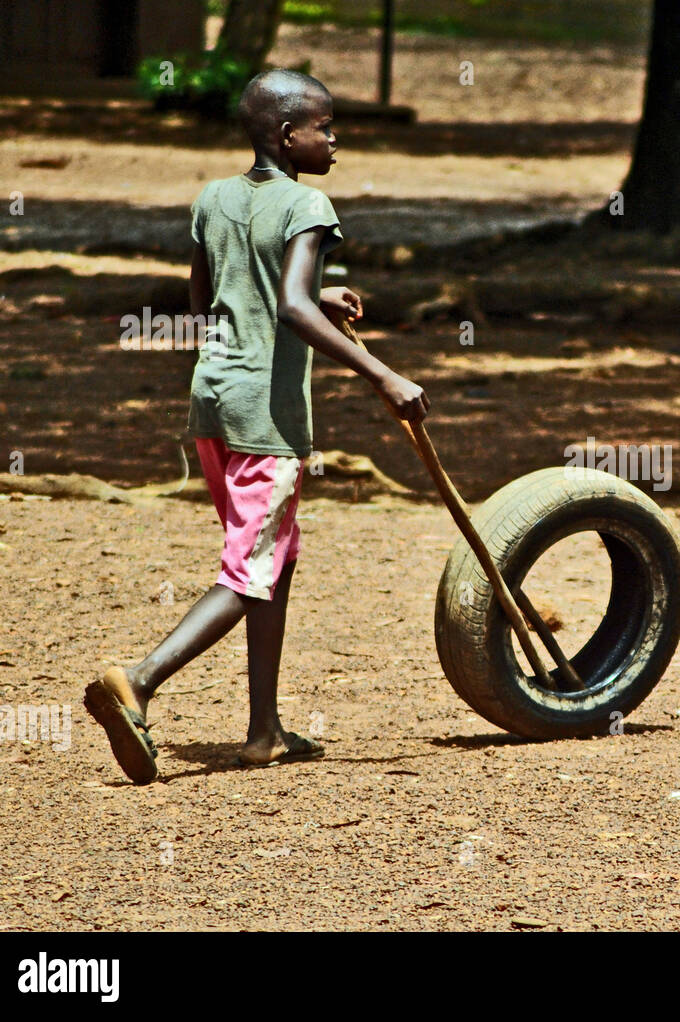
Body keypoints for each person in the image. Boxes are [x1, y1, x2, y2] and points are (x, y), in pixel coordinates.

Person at [84, 69, 429, 785]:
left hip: (213, 401)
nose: (335, 139)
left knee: (275, 556)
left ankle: (264, 731)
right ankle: (139, 681)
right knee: (249, 573)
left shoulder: (213, 197)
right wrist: (384, 377)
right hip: (265, 420)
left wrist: (296, 292)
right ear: (285, 134)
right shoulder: (309, 203)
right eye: (324, 127)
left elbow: (206, 292)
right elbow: (294, 310)